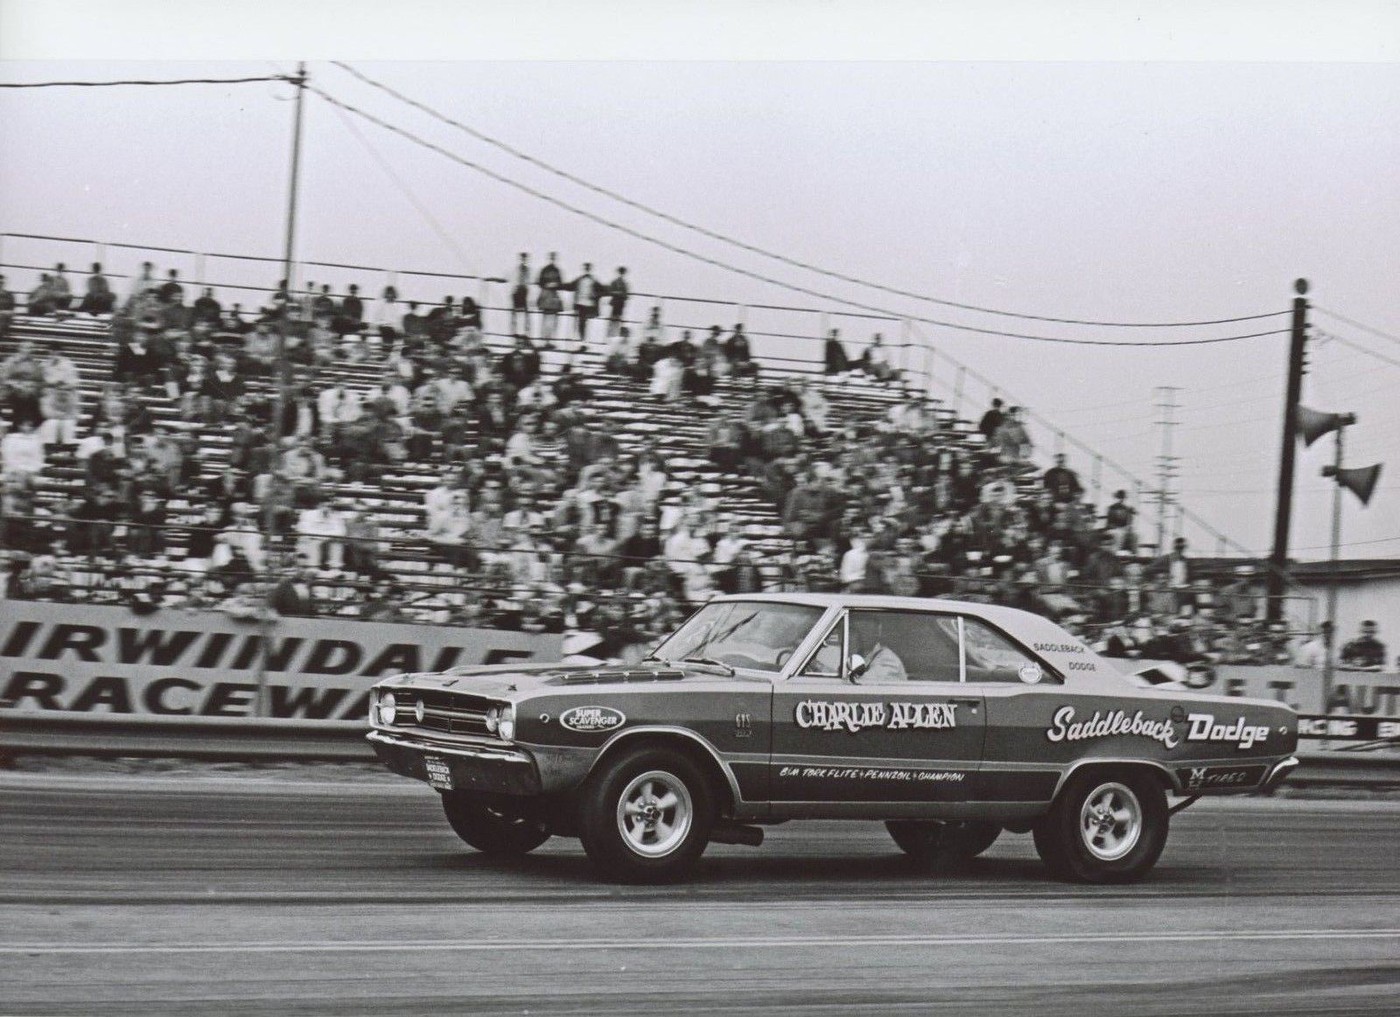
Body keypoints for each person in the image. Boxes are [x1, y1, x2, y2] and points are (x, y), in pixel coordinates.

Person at [571, 261, 600, 343]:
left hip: (589, 304)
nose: (587, 270)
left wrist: (595, 295)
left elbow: (602, 290)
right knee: (581, 322)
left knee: (585, 322)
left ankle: (585, 340)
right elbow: (570, 285)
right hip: (581, 303)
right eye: (586, 268)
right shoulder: (580, 279)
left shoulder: (593, 280)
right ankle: (582, 339)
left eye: (588, 269)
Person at [509, 252, 531, 336]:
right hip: (517, 291)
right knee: (515, 312)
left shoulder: (527, 270)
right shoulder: (516, 269)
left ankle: (525, 332)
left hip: (524, 291)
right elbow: (514, 280)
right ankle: (514, 331)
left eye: (525, 259)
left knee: (524, 313)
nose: (524, 260)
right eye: (523, 258)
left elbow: (528, 281)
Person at [606, 267, 629, 338]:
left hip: (621, 304)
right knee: (612, 319)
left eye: (622, 273)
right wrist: (618, 293)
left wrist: (620, 294)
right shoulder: (614, 282)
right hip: (615, 303)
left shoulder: (625, 284)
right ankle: (610, 335)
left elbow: (626, 295)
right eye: (620, 272)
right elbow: (610, 291)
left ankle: (616, 335)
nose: (621, 274)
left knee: (618, 319)